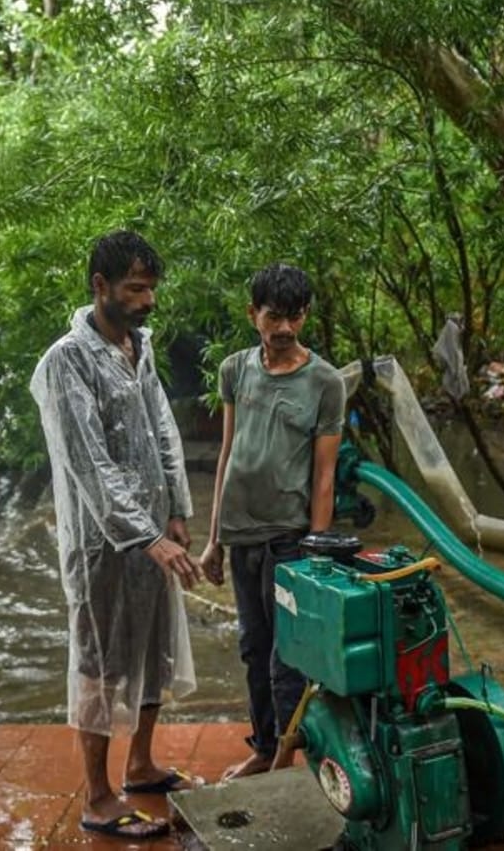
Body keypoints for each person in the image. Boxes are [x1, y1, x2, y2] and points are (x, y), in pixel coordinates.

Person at [29, 229, 206, 841]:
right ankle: (99, 796)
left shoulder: (139, 345)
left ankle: (141, 763)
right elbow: (88, 462)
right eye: (136, 288)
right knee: (101, 661)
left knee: (154, 646)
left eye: (152, 288)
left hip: (155, 527)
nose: (148, 300)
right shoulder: (65, 362)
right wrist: (143, 535)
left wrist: (177, 512)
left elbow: (162, 427)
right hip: (101, 543)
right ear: (100, 286)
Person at [200, 262, 346, 781]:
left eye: (295, 317)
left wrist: (316, 552)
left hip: (290, 541)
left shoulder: (325, 382)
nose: (285, 328)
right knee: (252, 648)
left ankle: (289, 761)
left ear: (305, 316)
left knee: (288, 660)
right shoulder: (235, 370)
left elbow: (324, 477)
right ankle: (265, 748)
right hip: (242, 537)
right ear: (253, 314)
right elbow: (227, 455)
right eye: (274, 316)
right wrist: (213, 540)